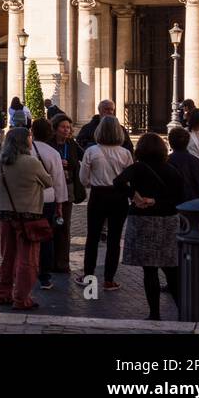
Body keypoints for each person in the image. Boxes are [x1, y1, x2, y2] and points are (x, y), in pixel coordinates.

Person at [115, 132, 185, 320]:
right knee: (171, 269)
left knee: (149, 270)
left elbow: (118, 182)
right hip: (167, 221)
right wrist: (156, 201)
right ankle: (183, 311)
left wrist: (134, 196)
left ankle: (154, 313)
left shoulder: (137, 168)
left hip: (143, 220)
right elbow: (179, 199)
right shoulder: (171, 170)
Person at [0, 126, 51, 310]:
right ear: (24, 141)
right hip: (28, 216)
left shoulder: (2, 162)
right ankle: (21, 298)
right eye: (29, 137)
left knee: (7, 256)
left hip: (5, 214)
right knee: (28, 260)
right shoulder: (31, 162)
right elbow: (48, 182)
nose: (31, 139)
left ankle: (2, 294)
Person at [80, 114, 134, 290]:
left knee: (93, 237)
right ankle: (109, 279)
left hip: (98, 196)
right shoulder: (125, 153)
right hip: (119, 197)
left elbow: (83, 179)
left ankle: (88, 276)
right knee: (114, 238)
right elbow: (129, 179)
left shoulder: (91, 151)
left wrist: (93, 182)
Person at [30, 118, 66, 291]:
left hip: (28, 199)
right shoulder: (53, 153)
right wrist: (60, 204)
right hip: (47, 200)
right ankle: (45, 277)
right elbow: (59, 182)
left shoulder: (24, 150)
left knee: (25, 236)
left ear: (32, 131)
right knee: (46, 238)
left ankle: (25, 273)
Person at [50, 113, 83, 273]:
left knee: (64, 225)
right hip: (50, 189)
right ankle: (48, 261)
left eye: (68, 127)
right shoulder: (49, 144)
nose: (66, 130)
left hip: (68, 188)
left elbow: (83, 157)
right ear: (55, 129)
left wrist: (69, 164)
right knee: (51, 225)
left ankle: (63, 263)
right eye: (63, 127)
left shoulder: (71, 144)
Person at [167, 126, 199, 203]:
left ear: (170, 143)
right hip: (192, 204)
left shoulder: (167, 161)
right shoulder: (195, 161)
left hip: (174, 205)